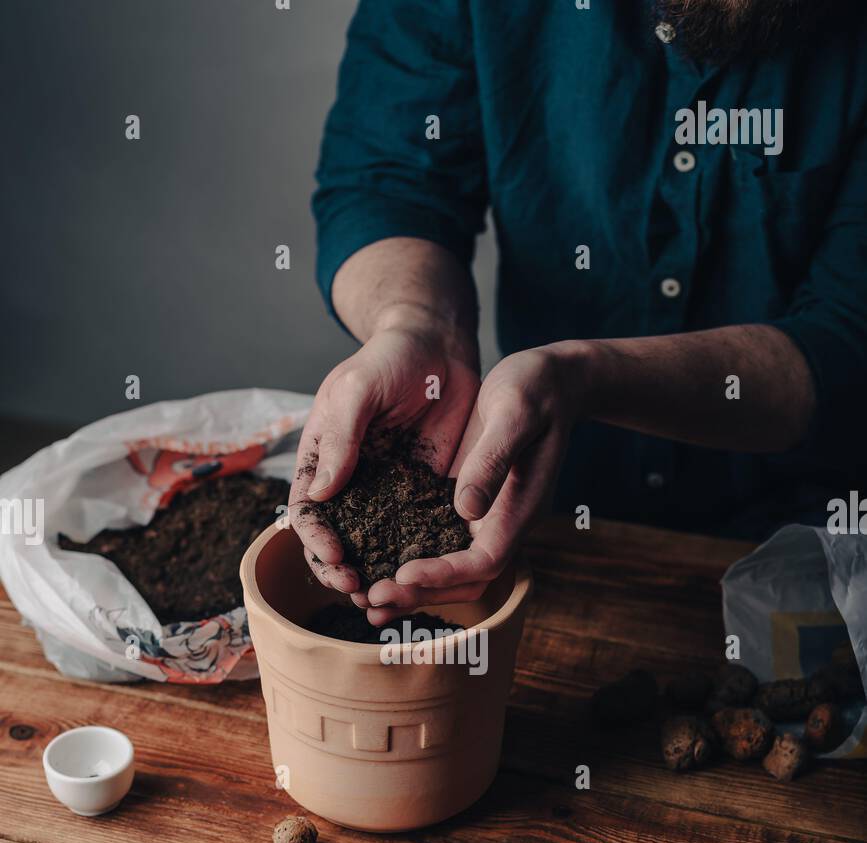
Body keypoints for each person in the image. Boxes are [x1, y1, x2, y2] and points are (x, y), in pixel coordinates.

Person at [291, 0, 867, 624]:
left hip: (820, 552)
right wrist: (418, 324)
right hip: (544, 525)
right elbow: (389, 184)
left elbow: (847, 337)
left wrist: (583, 378)